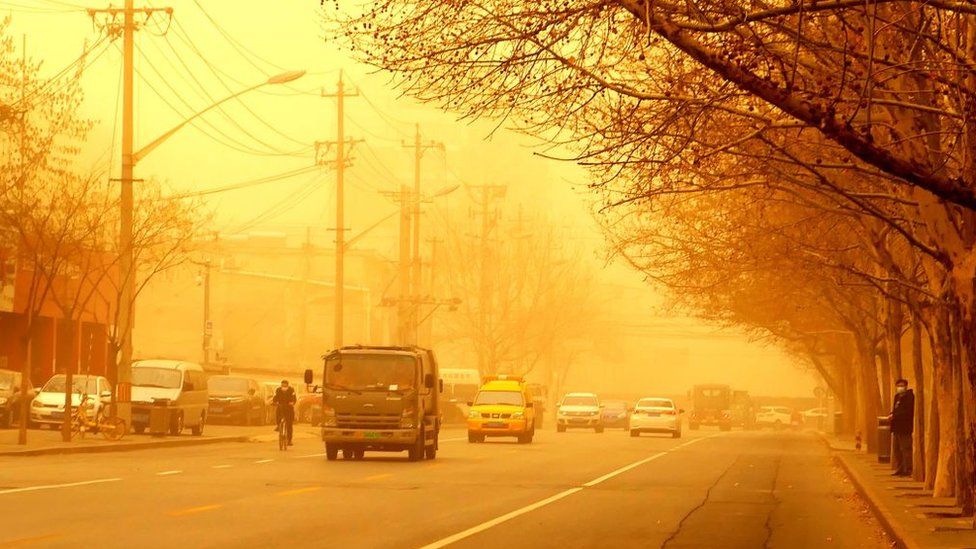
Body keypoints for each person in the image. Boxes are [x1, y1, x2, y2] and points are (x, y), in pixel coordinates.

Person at [889, 378, 915, 476]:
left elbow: (908, 412)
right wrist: (892, 414)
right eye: (898, 386)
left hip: (905, 427)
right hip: (896, 427)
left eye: (902, 386)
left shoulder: (909, 397)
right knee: (897, 450)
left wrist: (895, 416)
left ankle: (907, 469)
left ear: (906, 386)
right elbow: (895, 410)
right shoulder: (897, 397)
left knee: (905, 449)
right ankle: (900, 468)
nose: (900, 388)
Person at [273, 379, 297, 446]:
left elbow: (294, 397)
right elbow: (275, 397)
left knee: (289, 425)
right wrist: (275, 402)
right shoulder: (278, 390)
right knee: (278, 416)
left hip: (289, 408)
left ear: (287, 385)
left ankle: (289, 440)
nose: (283, 386)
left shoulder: (291, 390)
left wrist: (292, 402)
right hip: (281, 406)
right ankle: (278, 426)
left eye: (285, 385)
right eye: (282, 385)